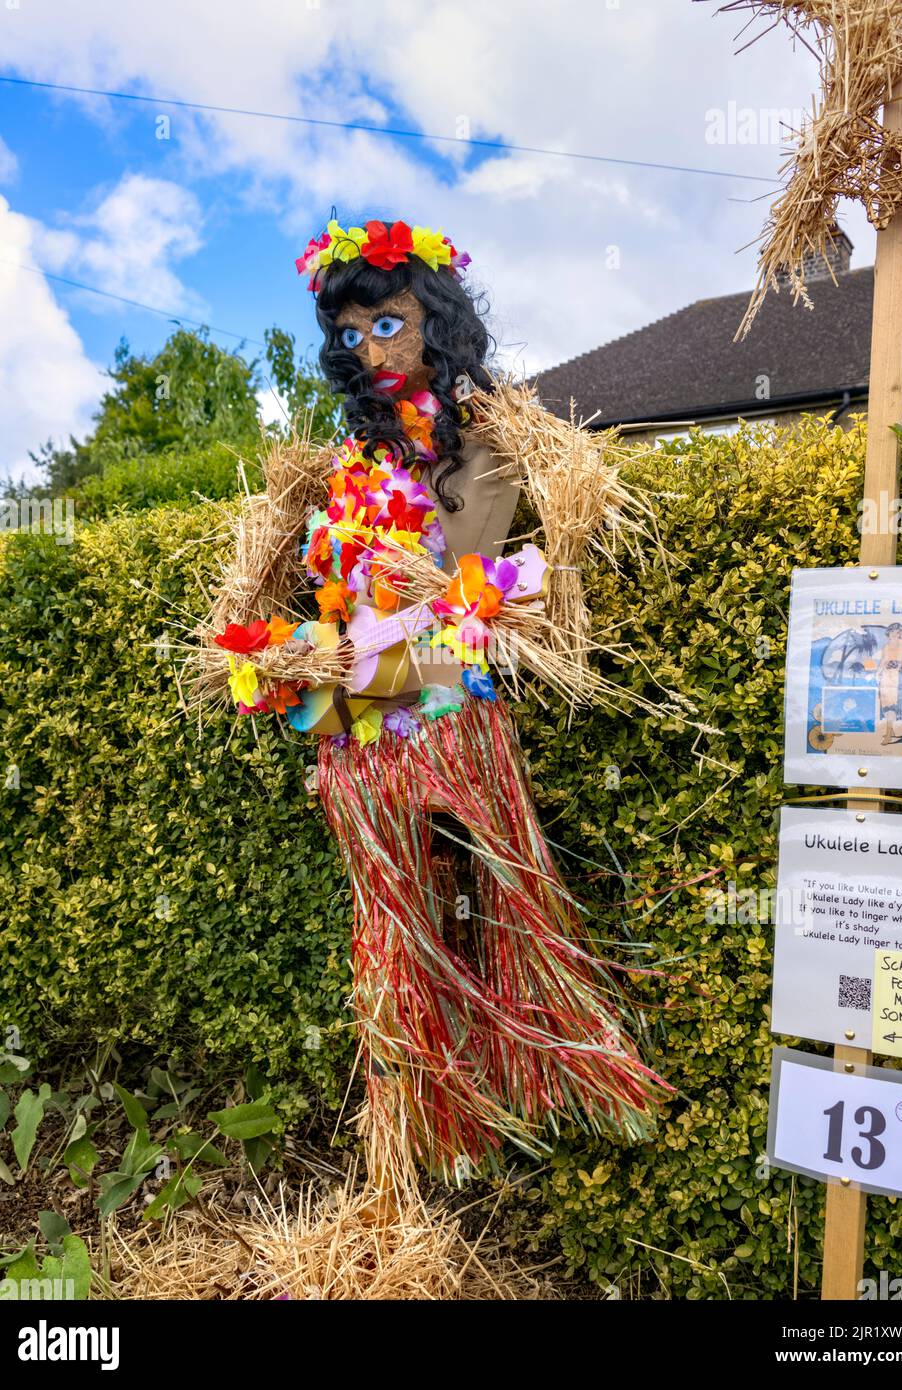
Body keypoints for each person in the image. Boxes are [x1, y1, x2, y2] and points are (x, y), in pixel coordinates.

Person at [205, 217, 671, 1183]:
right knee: (394, 939)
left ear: (439, 321)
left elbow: (543, 570)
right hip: (360, 743)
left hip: (455, 715)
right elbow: (287, 605)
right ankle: (427, 1130)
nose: (369, 348)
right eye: (350, 334)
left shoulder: (498, 443)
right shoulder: (342, 470)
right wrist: (284, 658)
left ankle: (567, 1072)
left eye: (390, 323)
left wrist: (504, 607)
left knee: (512, 906)